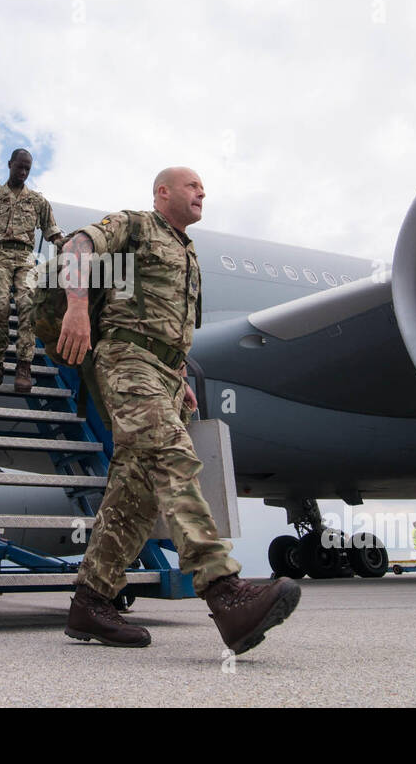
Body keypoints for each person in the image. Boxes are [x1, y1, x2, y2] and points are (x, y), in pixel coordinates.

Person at [56, 167, 301, 654]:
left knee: (135, 492)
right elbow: (76, 247)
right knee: (172, 456)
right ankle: (223, 591)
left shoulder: (187, 251)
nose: (202, 192)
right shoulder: (136, 226)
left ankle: (91, 600)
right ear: (162, 192)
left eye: (203, 188)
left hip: (166, 374)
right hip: (128, 361)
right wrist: (77, 307)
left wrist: (182, 375)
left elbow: (171, 321)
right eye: (192, 186)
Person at [0, 148, 61, 393]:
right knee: (0, 307)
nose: (22, 172)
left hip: (24, 257)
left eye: (27, 169)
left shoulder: (38, 201)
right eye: (19, 167)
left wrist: (71, 245)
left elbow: (52, 231)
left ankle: (23, 366)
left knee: (28, 306)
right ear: (9, 164)